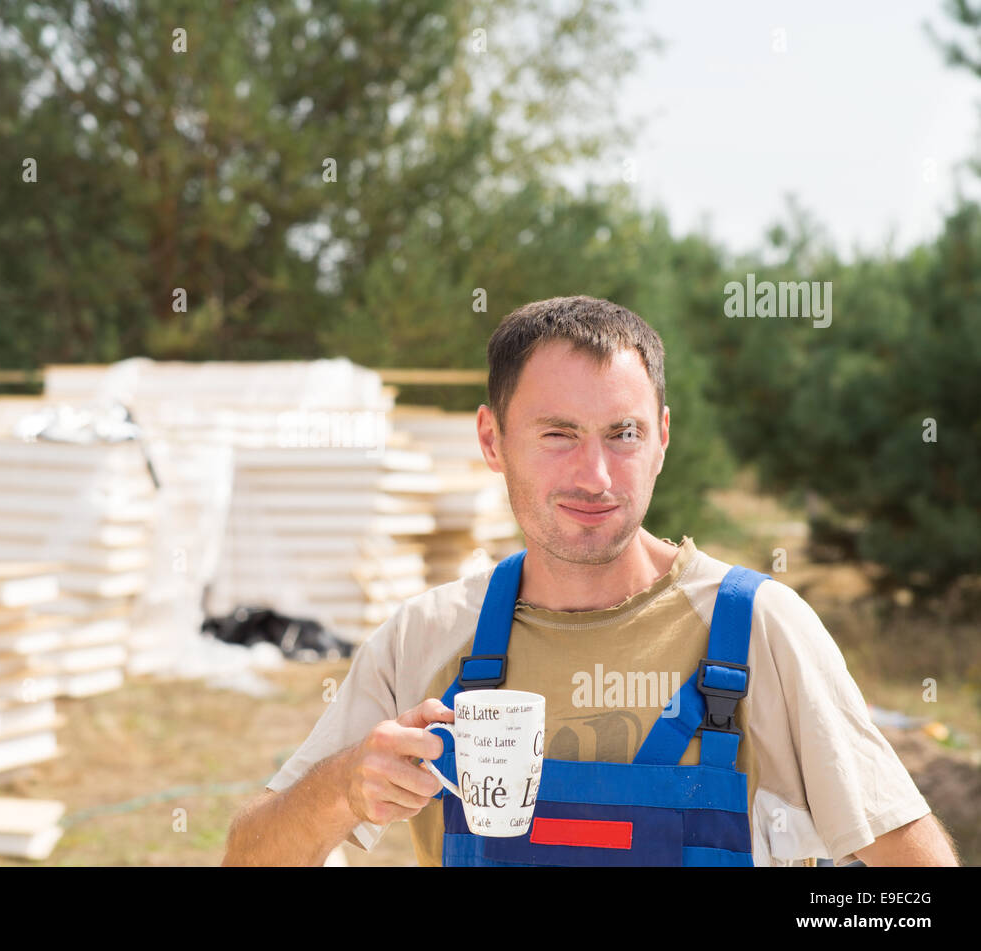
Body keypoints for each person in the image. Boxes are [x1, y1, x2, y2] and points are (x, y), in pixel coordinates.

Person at [222, 295, 959, 867]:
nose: (596, 476)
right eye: (559, 434)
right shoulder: (423, 640)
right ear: (490, 440)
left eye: (623, 434)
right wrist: (346, 784)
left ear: (663, 439)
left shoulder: (761, 629)